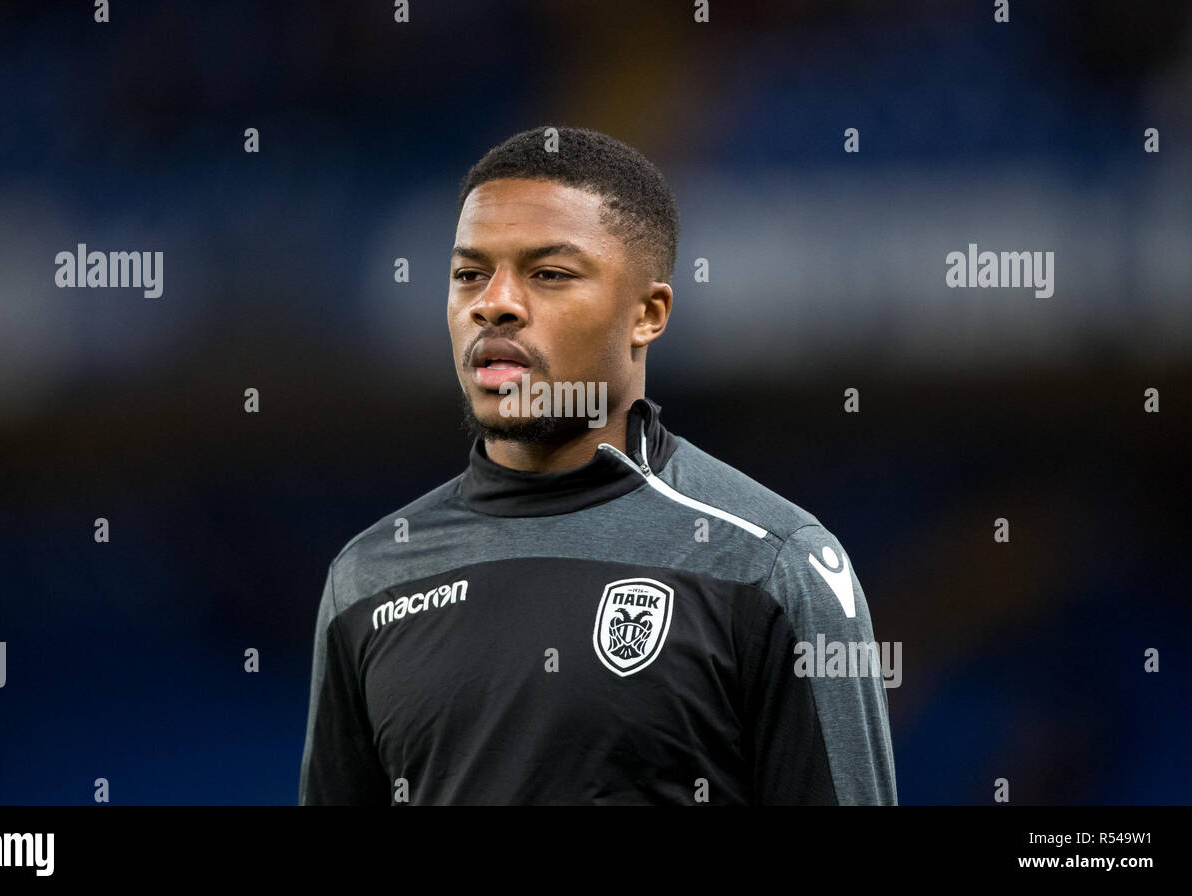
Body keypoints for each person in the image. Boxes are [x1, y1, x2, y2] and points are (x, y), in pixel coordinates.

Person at [299, 126, 897, 805]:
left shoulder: (770, 565)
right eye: (469, 274)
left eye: (548, 274)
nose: (493, 302)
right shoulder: (368, 579)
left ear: (648, 313)